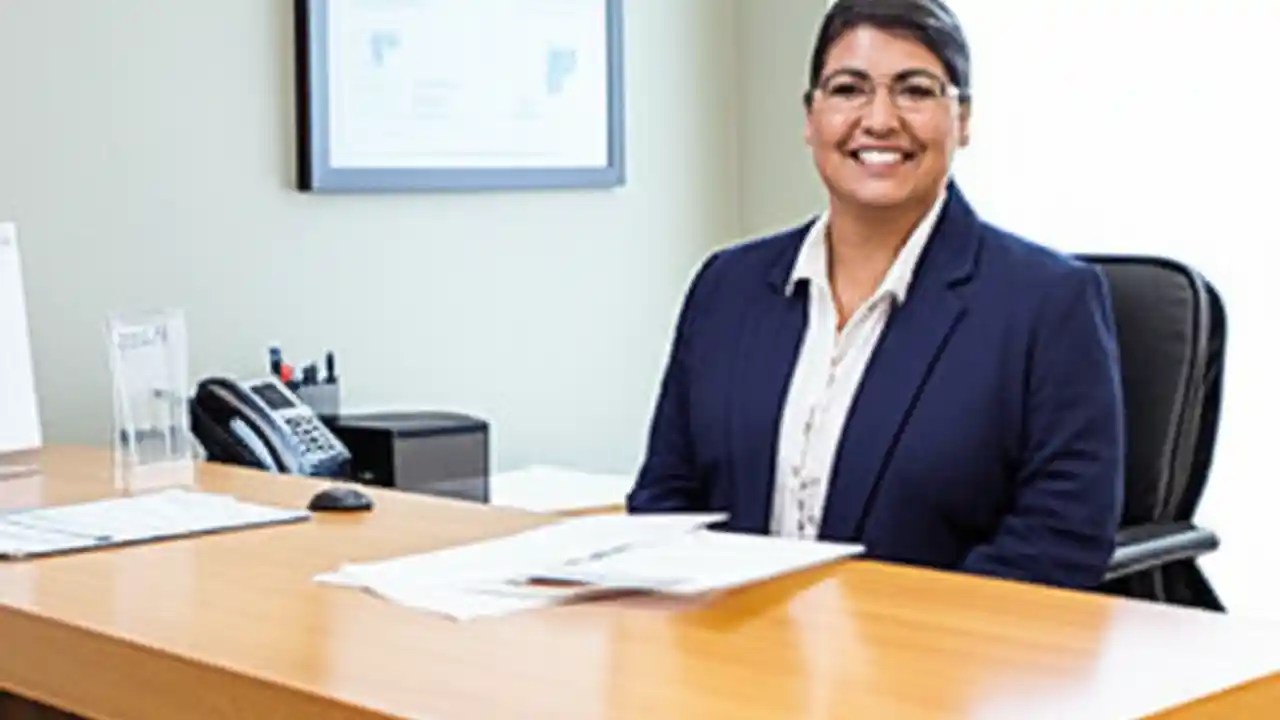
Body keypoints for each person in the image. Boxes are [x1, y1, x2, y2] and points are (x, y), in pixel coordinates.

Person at [626, 0, 1124, 589]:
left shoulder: (1049, 304)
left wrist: (896, 648)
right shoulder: (726, 287)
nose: (880, 120)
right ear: (811, 118)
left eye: (914, 90)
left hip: (938, 666)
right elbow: (665, 500)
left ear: (962, 119)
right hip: (735, 654)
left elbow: (1059, 542)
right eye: (848, 89)